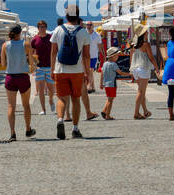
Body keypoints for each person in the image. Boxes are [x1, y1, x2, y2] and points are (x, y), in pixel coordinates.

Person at [49, 8, 91, 139]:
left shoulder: (58, 30)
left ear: (66, 16)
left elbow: (53, 52)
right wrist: (87, 72)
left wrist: (52, 69)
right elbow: (86, 55)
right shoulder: (83, 32)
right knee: (75, 99)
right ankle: (75, 129)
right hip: (77, 71)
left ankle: (60, 120)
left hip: (60, 69)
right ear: (78, 16)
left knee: (62, 98)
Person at [1, 24, 35, 141]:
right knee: (26, 105)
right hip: (23, 76)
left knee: (11, 106)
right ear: (20, 33)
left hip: (10, 76)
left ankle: (12, 133)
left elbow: (3, 64)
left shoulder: (5, 45)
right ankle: (27, 129)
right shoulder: (26, 44)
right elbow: (31, 62)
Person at [129, 33, 158, 119]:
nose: (147, 34)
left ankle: (145, 111)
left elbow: (131, 57)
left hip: (135, 69)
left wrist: (131, 70)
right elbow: (151, 57)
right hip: (143, 68)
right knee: (141, 92)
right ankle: (136, 113)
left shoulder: (133, 45)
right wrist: (156, 67)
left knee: (141, 92)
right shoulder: (146, 44)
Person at [30, 20, 55, 115]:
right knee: (40, 90)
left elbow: (54, 51)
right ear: (38, 28)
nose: (42, 28)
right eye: (40, 27)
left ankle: (51, 100)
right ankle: (43, 109)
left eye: (44, 26)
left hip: (50, 67)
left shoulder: (50, 38)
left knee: (51, 89)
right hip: (39, 67)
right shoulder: (34, 39)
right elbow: (31, 53)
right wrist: (32, 65)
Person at [99, 48, 124, 120]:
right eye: (117, 56)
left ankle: (104, 111)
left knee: (109, 98)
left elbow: (102, 74)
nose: (118, 57)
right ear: (112, 56)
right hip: (112, 84)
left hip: (106, 84)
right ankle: (108, 115)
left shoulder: (105, 64)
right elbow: (120, 73)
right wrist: (129, 74)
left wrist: (101, 84)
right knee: (111, 100)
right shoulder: (114, 64)